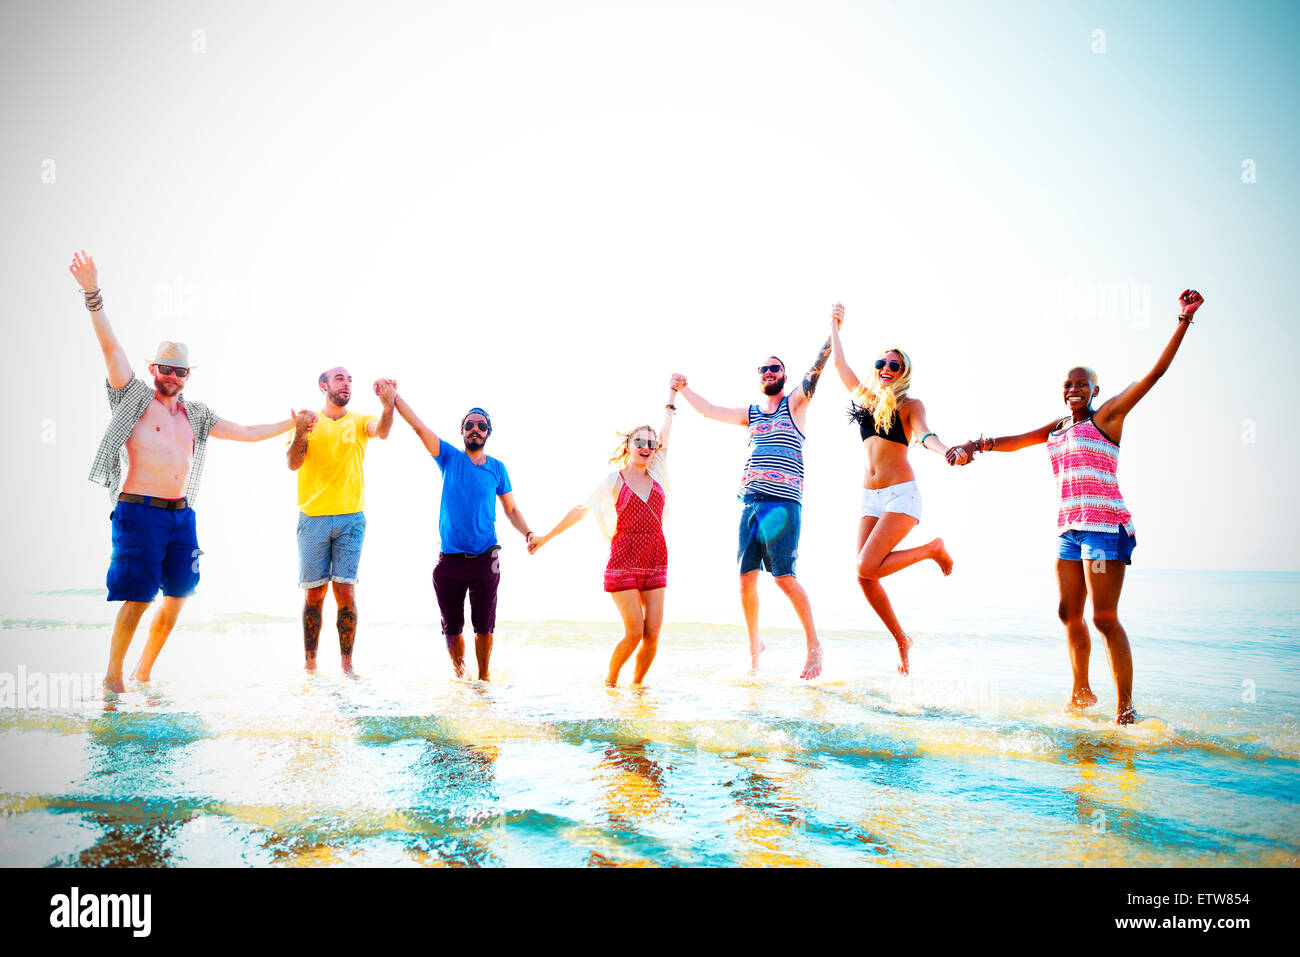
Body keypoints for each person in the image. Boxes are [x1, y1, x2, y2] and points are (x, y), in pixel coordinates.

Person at [946, 289, 1207, 725]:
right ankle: (1081, 693)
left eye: (1081, 384)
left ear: (1094, 390)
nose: (1073, 389)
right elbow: (1016, 440)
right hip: (1068, 530)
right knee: (1069, 613)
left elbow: (1154, 374)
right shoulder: (1058, 427)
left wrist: (1183, 320)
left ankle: (1126, 709)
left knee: (1104, 617)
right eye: (1067, 384)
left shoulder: (1106, 418)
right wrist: (975, 445)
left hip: (1104, 529)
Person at [71, 250, 295, 692]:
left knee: (177, 595)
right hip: (138, 512)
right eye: (166, 368)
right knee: (137, 597)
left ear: (187, 376)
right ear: (154, 369)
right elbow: (110, 347)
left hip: (180, 515)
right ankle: (113, 679)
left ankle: (144, 673)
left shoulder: (196, 414)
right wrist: (92, 291)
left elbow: (248, 431)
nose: (172, 376)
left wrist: (293, 422)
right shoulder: (131, 397)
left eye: (180, 371)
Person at [673, 312, 837, 679]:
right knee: (745, 578)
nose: (768, 372)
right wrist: (684, 389)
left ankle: (814, 648)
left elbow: (816, 371)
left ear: (783, 375)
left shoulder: (794, 404)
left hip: (782, 505)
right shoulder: (750, 414)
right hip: (750, 504)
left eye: (774, 368)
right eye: (763, 369)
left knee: (783, 578)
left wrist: (833, 333)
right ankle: (753, 647)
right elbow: (710, 411)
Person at [829, 303, 955, 676]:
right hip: (870, 497)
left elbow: (926, 434)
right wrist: (834, 325)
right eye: (881, 364)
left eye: (894, 366)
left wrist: (946, 450)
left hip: (901, 494)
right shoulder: (868, 400)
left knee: (867, 565)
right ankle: (902, 639)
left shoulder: (910, 405)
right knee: (864, 576)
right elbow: (840, 366)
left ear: (904, 373)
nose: (885, 369)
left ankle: (933, 549)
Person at [528, 380, 680, 686]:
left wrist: (672, 395)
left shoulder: (659, 471)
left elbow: (666, 427)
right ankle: (609, 684)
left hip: (655, 556)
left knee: (652, 635)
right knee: (634, 631)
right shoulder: (613, 480)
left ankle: (637, 689)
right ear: (628, 446)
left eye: (651, 443)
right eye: (639, 442)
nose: (646, 447)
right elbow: (581, 509)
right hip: (623, 558)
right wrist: (545, 537)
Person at [390, 391, 534, 680]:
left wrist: (528, 533)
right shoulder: (449, 458)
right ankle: (460, 677)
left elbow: (512, 510)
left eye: (481, 425)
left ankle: (483, 680)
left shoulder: (497, 468)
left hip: (485, 558)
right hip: (450, 561)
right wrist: (394, 397)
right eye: (470, 425)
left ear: (488, 432)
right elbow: (418, 426)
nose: (475, 430)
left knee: (484, 626)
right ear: (462, 431)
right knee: (452, 627)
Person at [286, 369, 395, 675]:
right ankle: (311, 665)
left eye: (349, 380)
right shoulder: (308, 421)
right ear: (323, 386)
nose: (346, 383)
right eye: (339, 379)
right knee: (314, 594)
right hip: (312, 519)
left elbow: (382, 431)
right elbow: (293, 463)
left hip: (350, 519)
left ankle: (347, 666)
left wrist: (388, 407)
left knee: (346, 592)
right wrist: (299, 432)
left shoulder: (359, 421)